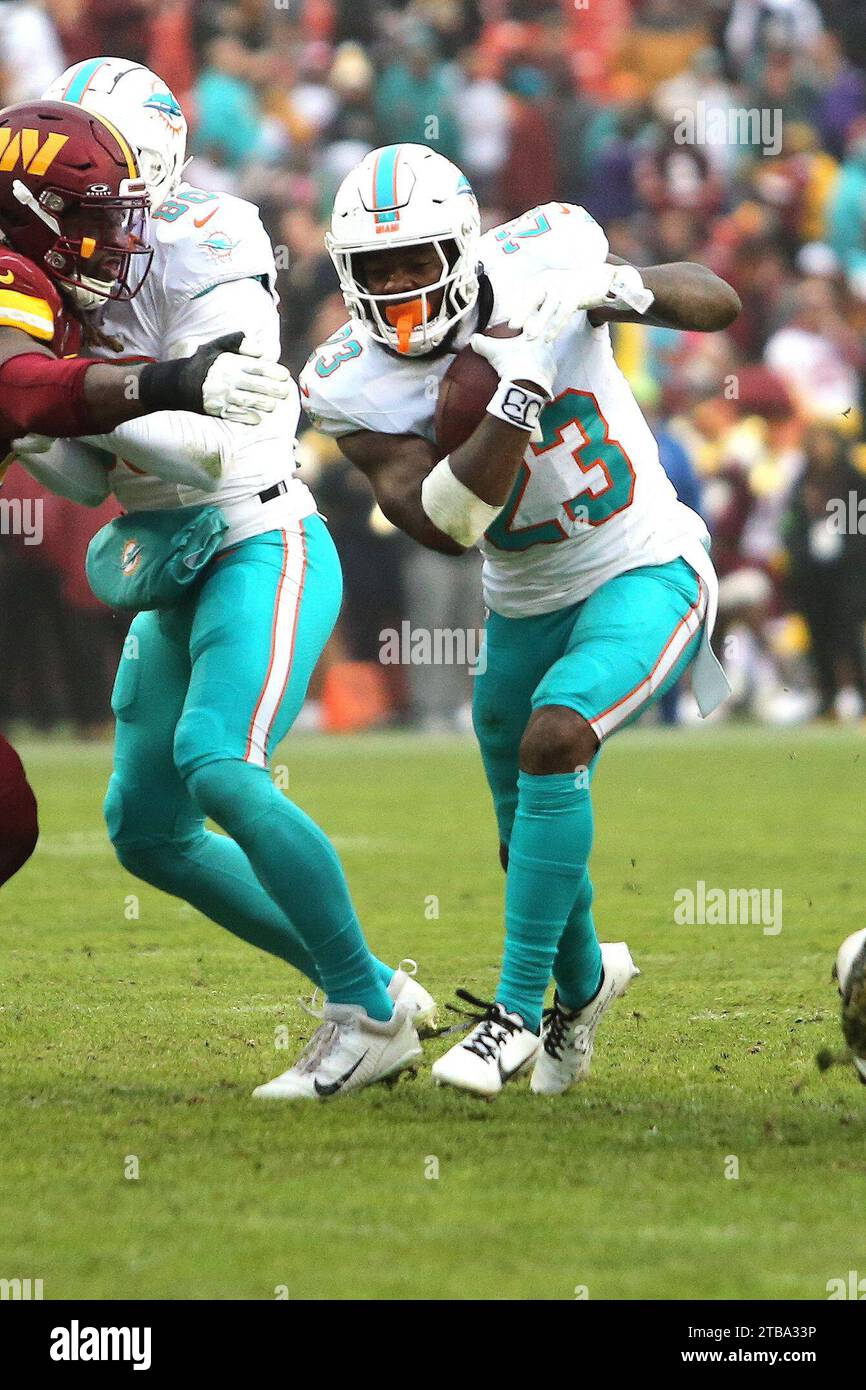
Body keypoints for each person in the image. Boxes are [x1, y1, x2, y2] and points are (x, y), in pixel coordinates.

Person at [12, 61, 434, 1099]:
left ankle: (363, 1009)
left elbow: (211, 448)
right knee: (145, 830)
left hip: (254, 536)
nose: (92, 221)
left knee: (218, 760)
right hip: (166, 558)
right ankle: (375, 983)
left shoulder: (212, 235)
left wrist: (77, 404)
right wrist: (32, 416)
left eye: (105, 195)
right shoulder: (51, 267)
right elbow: (71, 464)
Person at [301, 142, 740, 1098]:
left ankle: (516, 1014)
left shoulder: (550, 249)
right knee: (523, 830)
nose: (400, 286)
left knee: (553, 744)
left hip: (644, 560)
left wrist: (612, 286)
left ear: (462, 246)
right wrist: (520, 388)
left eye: (418, 260)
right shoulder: (345, 379)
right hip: (523, 601)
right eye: (376, 269)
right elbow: (446, 525)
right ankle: (582, 990)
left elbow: (716, 299)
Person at [0, 94, 287, 890]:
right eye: (97, 216)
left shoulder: (47, 284)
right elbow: (22, 388)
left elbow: (65, 454)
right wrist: (173, 382)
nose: (122, 238)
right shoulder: (11, 275)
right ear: (31, 210)